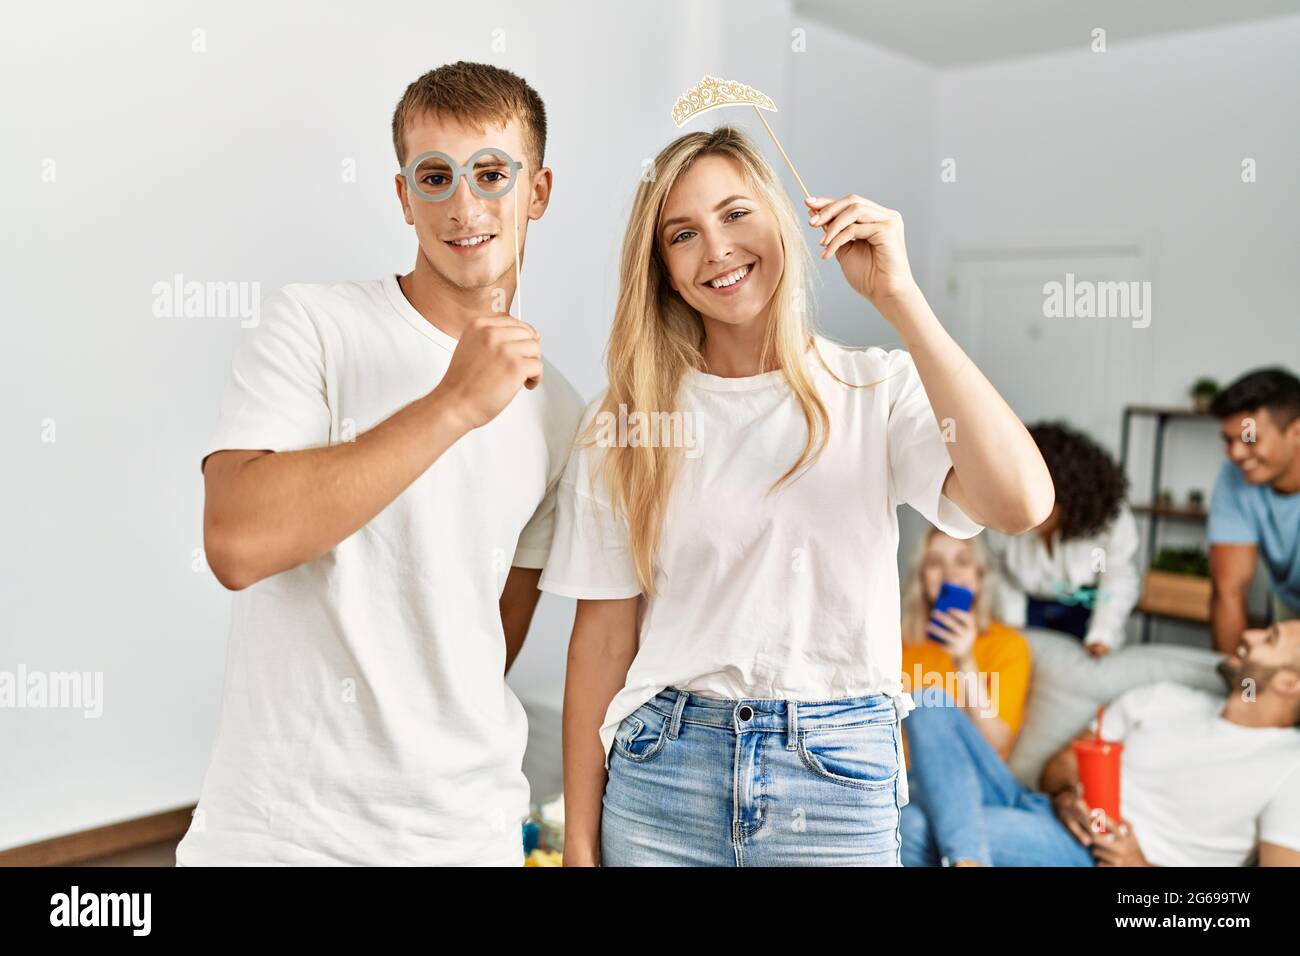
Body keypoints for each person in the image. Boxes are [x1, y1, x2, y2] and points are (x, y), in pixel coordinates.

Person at [539, 125, 1053, 867]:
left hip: (839, 782)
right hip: (662, 778)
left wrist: (900, 299)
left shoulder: (876, 389)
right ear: (662, 270)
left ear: (783, 218)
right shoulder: (624, 420)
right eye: (683, 233)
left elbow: (1022, 502)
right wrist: (579, 846)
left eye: (735, 213)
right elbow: (603, 643)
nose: (716, 248)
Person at [174, 62, 584, 865]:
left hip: (466, 836)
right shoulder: (314, 326)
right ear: (405, 197)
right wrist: (453, 404)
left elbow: (486, 635)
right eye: (436, 177)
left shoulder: (561, 411)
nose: (464, 207)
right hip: (280, 834)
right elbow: (236, 542)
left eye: (492, 174)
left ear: (537, 191)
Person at [903, 620, 1300, 867]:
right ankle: (967, 855)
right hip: (1041, 806)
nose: (1248, 633)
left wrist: (1141, 868)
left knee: (912, 828)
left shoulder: (1289, 765)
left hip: (1088, 852)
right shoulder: (1163, 697)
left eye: (1270, 638)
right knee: (926, 700)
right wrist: (1066, 794)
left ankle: (965, 855)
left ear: (1290, 683)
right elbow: (1062, 763)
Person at [898, 527, 1033, 866]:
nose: (949, 574)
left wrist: (965, 660)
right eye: (935, 563)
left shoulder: (1007, 646)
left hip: (984, 783)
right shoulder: (896, 644)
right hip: (912, 788)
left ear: (979, 575)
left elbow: (996, 743)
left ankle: (969, 859)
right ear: (921, 576)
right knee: (910, 827)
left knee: (930, 704)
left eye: (962, 562)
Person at [983, 422, 1140, 658]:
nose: (1029, 509)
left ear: (1069, 495)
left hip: (1086, 607)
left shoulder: (1110, 520)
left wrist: (1102, 634)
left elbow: (1117, 579)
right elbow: (994, 571)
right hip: (1025, 608)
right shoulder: (1003, 516)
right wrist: (1013, 624)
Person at [1208, 367, 1300, 654]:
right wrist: (1238, 686)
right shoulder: (1234, 477)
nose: (1235, 454)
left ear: (1297, 431)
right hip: (1288, 605)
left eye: (1249, 439)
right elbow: (1228, 592)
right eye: (1228, 440)